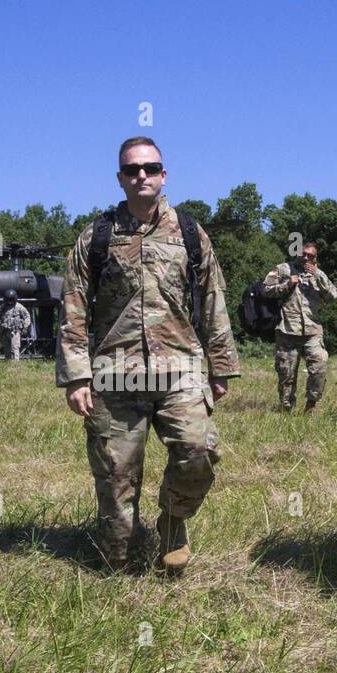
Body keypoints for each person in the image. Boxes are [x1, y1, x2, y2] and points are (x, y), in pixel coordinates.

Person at [56, 137, 239, 572]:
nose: (143, 175)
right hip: (115, 375)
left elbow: (213, 300)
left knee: (198, 452)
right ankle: (124, 548)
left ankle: (174, 519)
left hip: (180, 370)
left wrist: (221, 366)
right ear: (120, 178)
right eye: (133, 169)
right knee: (116, 492)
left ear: (163, 174)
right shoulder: (96, 238)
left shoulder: (191, 234)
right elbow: (73, 306)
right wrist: (77, 376)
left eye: (151, 168)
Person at [262, 242, 337, 412]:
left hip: (313, 331)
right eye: (303, 254)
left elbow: (333, 296)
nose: (306, 258)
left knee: (319, 366)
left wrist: (318, 275)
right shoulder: (282, 269)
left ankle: (311, 405)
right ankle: (286, 408)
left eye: (310, 256)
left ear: (315, 258)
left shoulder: (319, 274)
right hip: (287, 330)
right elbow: (265, 290)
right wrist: (287, 284)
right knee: (286, 373)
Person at [0, 289, 31, 359]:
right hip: (5, 330)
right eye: (8, 299)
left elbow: (27, 316)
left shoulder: (19, 307)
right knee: (6, 348)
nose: (10, 302)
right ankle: (7, 362)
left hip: (15, 331)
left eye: (11, 299)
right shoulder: (3, 307)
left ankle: (15, 364)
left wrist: (25, 327)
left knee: (15, 347)